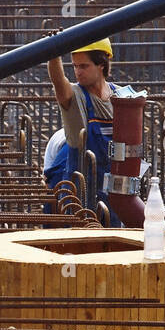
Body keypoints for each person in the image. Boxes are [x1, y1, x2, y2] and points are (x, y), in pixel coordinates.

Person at [45, 37, 129, 223]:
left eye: (83, 66)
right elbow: (59, 83)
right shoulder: (75, 96)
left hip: (113, 193)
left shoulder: (121, 96)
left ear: (102, 65)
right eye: (75, 66)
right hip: (80, 192)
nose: (77, 72)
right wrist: (53, 55)